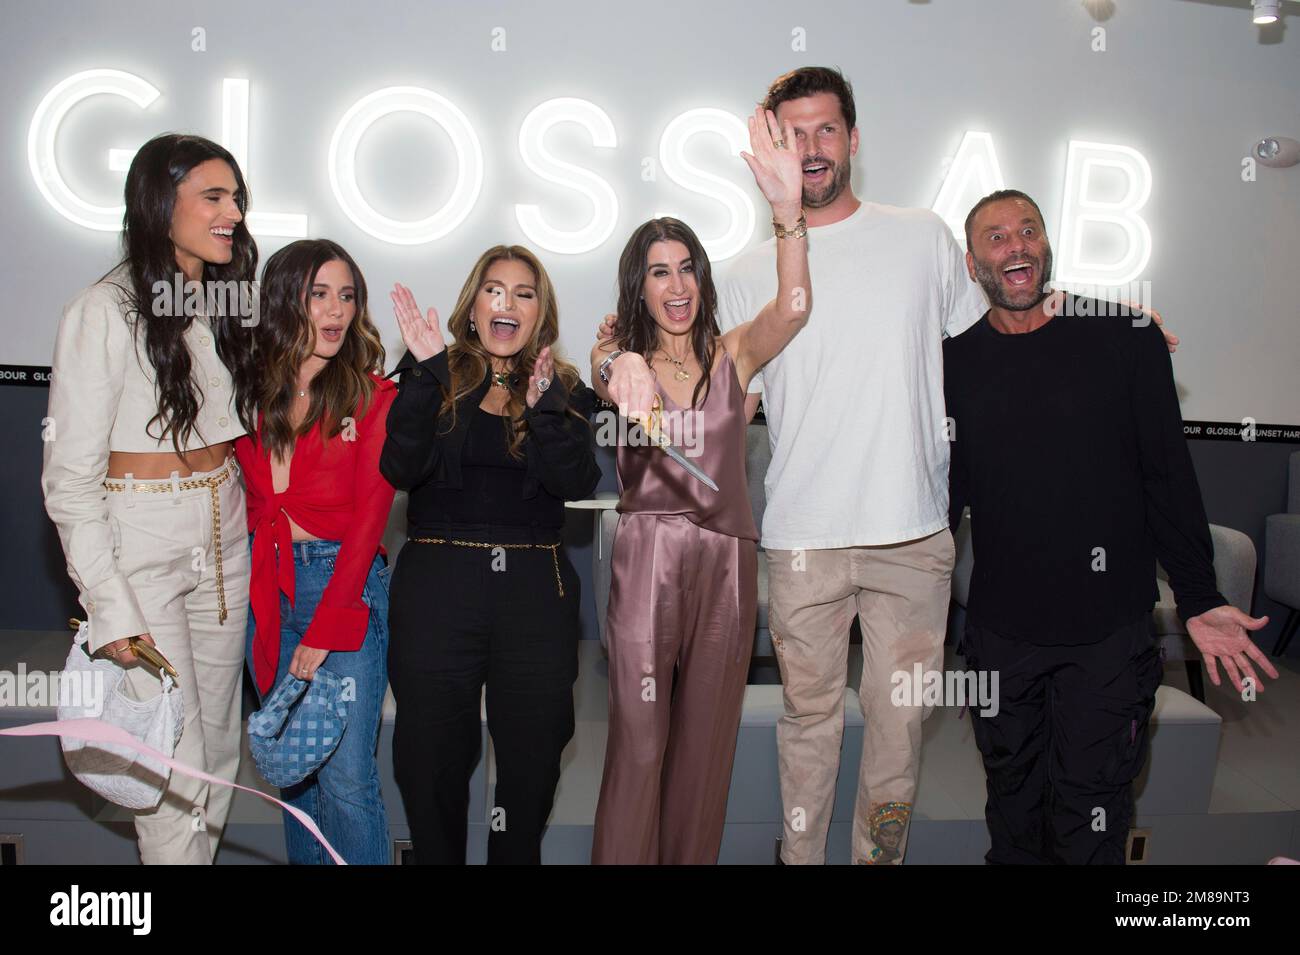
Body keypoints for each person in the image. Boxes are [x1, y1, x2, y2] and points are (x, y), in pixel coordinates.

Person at [946, 189, 1279, 865]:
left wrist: (1200, 596)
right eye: (997, 237)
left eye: (1028, 231)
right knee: (1012, 811)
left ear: (1046, 243)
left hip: (1108, 637)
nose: (1016, 246)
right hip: (1002, 637)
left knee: (1091, 817)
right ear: (973, 260)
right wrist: (921, 615)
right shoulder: (955, 362)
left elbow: (1168, 477)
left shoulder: (1124, 338)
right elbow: (943, 501)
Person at [589, 107, 809, 864]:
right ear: (638, 287)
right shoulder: (621, 360)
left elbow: (796, 309)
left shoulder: (733, 354)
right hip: (648, 557)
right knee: (642, 745)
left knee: (705, 753)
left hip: (728, 560)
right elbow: (602, 367)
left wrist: (789, 217)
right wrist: (615, 359)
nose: (677, 284)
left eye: (687, 267)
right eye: (659, 271)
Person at [41, 133, 257, 864]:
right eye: (214, 196)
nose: (233, 212)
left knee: (220, 749)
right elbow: (68, 479)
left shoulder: (223, 304)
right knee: (170, 756)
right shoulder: (101, 311)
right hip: (143, 535)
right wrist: (109, 603)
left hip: (224, 529)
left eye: (236, 197)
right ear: (160, 205)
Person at [380, 246, 601, 864]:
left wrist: (547, 413)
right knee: (428, 766)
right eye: (494, 290)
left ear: (540, 312)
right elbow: (400, 468)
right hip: (437, 593)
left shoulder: (563, 388)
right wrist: (424, 376)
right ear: (472, 307)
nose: (507, 302)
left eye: (524, 293)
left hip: (536, 596)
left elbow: (576, 481)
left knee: (530, 772)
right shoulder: (430, 372)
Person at [235, 238, 396, 865]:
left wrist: (327, 625)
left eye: (347, 296)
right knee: (293, 778)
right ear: (283, 301)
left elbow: (369, 524)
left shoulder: (372, 398)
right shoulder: (247, 396)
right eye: (318, 295)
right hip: (265, 589)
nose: (335, 311)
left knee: (347, 782)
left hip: (343, 588)